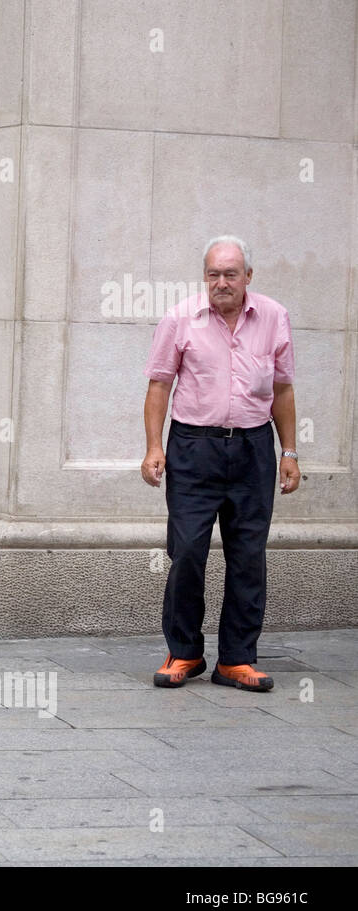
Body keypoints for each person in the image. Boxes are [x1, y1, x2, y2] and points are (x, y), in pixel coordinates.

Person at [142, 235, 299, 692]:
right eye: (213, 274)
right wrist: (155, 447)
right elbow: (158, 386)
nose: (221, 282)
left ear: (248, 276)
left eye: (231, 274)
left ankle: (237, 659)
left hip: (254, 450)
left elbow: (283, 390)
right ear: (204, 277)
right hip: (194, 449)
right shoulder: (180, 319)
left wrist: (288, 451)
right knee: (187, 551)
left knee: (248, 556)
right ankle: (184, 652)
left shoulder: (274, 317)